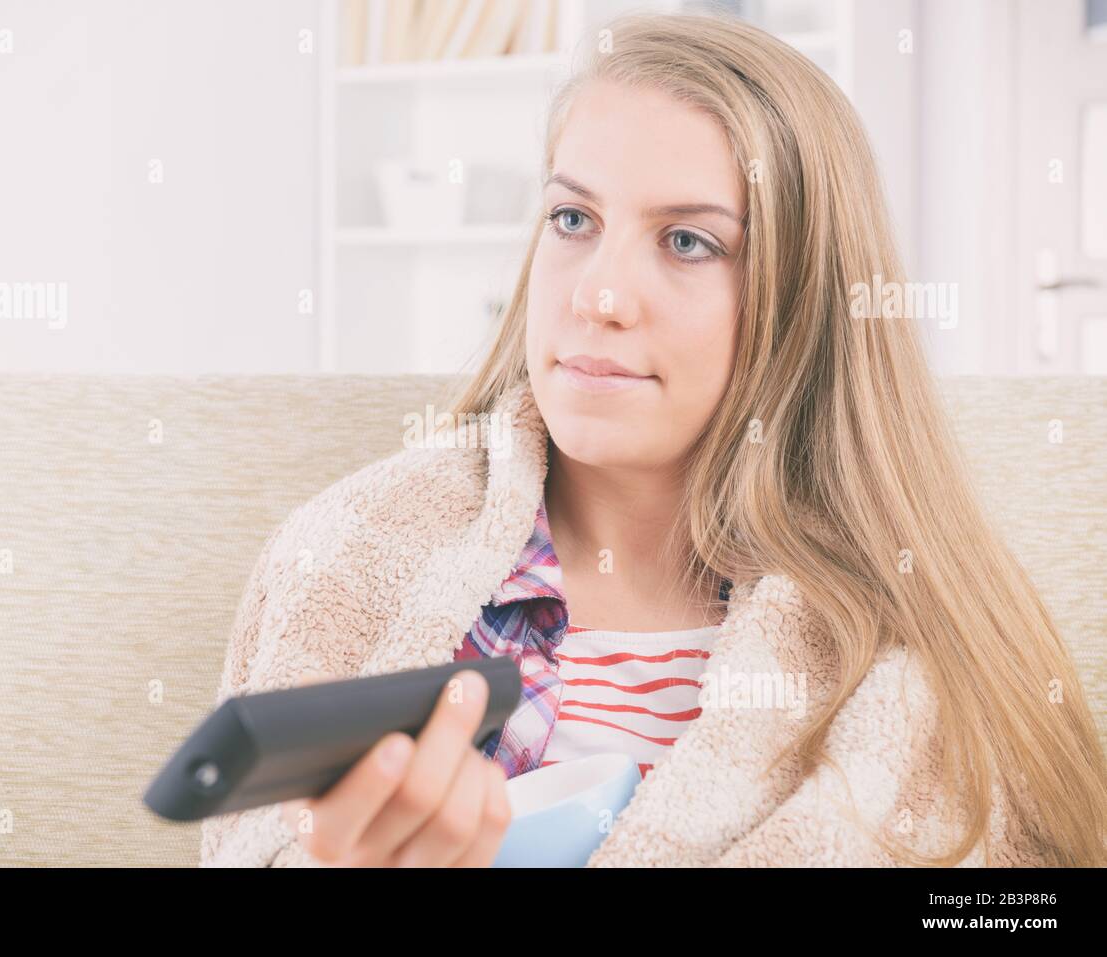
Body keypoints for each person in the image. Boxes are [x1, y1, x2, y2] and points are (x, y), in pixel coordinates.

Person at [200, 11, 1107, 868]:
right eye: (573, 219)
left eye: (686, 241)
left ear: (805, 303)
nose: (599, 294)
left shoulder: (914, 657)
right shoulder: (352, 552)